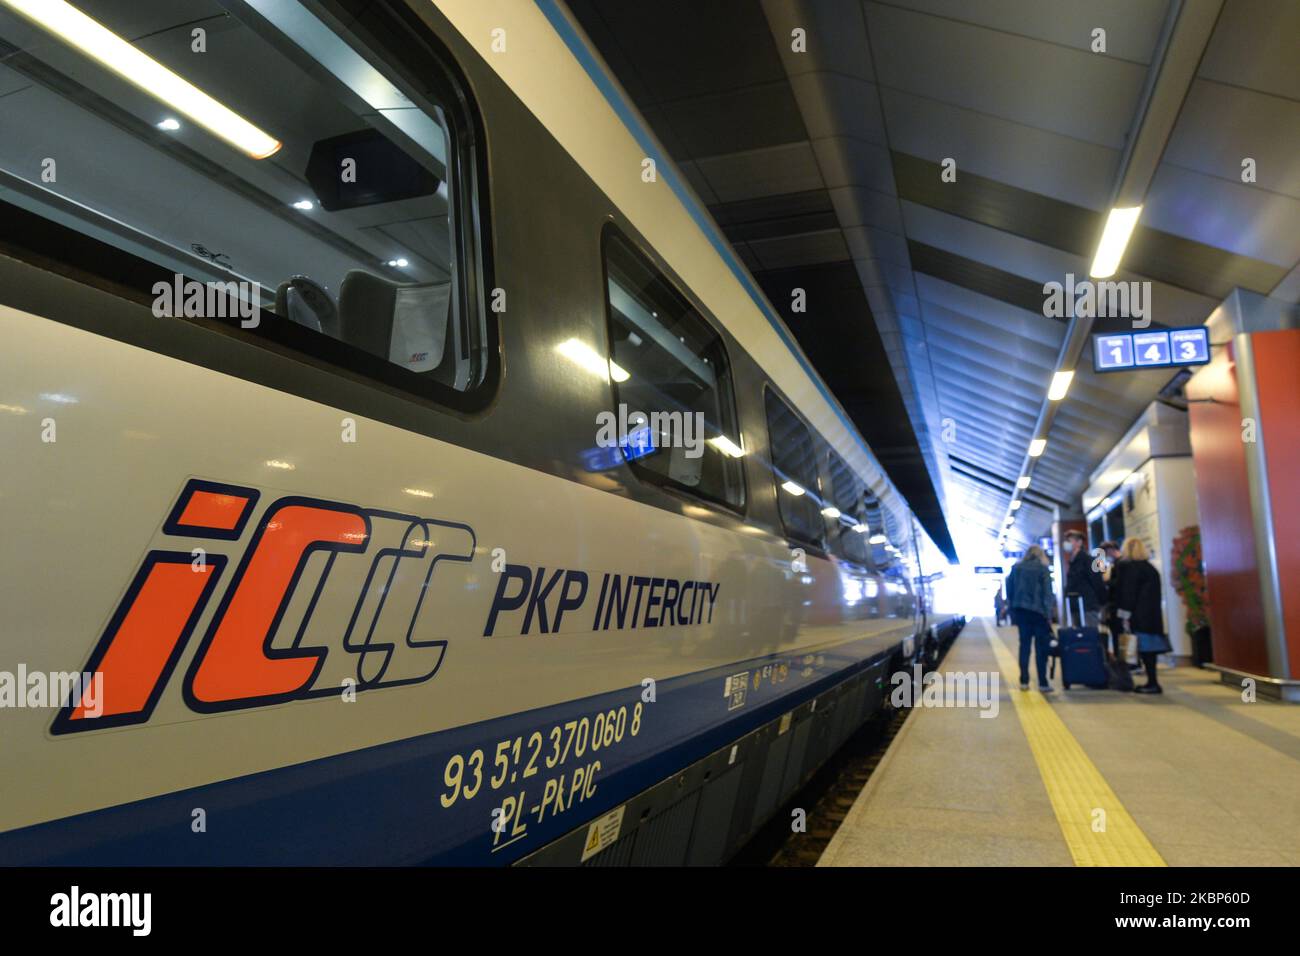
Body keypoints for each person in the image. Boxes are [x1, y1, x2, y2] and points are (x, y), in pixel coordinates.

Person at [1110, 537, 1169, 694]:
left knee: (1144, 650)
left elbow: (1128, 594)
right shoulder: (1150, 568)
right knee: (1150, 650)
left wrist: (1123, 616)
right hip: (1152, 615)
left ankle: (1152, 683)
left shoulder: (1129, 568)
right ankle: (1152, 680)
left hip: (1138, 615)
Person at [1005, 545, 1055, 693]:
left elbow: (1009, 590)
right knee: (1041, 649)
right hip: (1039, 613)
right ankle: (1043, 683)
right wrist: (1048, 615)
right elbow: (1047, 594)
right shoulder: (1042, 568)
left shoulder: (1016, 568)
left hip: (1022, 613)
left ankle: (1024, 681)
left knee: (1024, 647)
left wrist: (1013, 609)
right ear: (1040, 555)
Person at [1062, 529, 1106, 628]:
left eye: (1070, 540)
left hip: (1087, 606)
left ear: (1079, 542)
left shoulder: (1088, 560)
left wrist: (1102, 603)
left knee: (1089, 636)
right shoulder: (1073, 562)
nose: (1066, 544)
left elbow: (1097, 582)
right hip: (1076, 606)